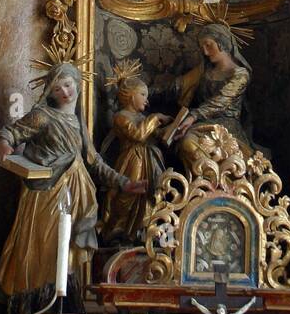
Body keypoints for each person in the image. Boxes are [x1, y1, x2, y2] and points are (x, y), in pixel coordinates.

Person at [0, 61, 145, 314]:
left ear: (77, 83)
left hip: (75, 195)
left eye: (67, 84)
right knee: (44, 253)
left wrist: (124, 182)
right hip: (46, 195)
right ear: (50, 93)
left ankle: (63, 309)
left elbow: (94, 161)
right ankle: (35, 309)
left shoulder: (77, 121)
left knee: (67, 255)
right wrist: (4, 144)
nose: (64, 92)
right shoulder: (43, 116)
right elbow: (10, 132)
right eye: (57, 89)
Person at [171, 22, 255, 170]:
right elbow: (177, 87)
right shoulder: (205, 72)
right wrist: (142, 91)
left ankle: (214, 180)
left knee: (188, 142)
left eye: (209, 45)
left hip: (226, 127)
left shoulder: (240, 74)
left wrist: (193, 116)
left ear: (222, 42)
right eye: (202, 47)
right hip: (202, 123)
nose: (205, 52)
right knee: (180, 139)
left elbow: (221, 100)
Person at [100, 62, 169, 243]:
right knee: (128, 196)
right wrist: (155, 117)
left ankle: (145, 231)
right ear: (131, 96)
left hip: (150, 161)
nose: (147, 100)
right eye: (143, 95)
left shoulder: (143, 118)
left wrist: (172, 128)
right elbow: (138, 135)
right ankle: (116, 231)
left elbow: (156, 134)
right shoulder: (121, 117)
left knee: (151, 195)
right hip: (133, 161)